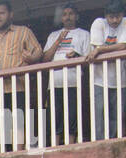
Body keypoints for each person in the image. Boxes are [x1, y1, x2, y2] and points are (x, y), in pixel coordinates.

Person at [43, 6, 91, 143]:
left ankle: (70, 144)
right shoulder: (53, 35)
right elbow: (45, 59)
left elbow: (88, 59)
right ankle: (55, 145)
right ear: (61, 18)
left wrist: (76, 56)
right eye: (64, 14)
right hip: (54, 83)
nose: (67, 17)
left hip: (73, 82)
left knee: (72, 116)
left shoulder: (84, 34)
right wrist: (58, 40)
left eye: (71, 14)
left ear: (77, 16)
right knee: (55, 117)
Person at [90, 6, 126, 140]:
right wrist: (100, 49)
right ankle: (100, 144)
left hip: (121, 79)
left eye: (117, 16)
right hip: (99, 79)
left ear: (122, 14)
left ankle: (116, 144)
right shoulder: (99, 23)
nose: (114, 20)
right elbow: (97, 47)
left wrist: (101, 49)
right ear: (105, 16)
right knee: (99, 114)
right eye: (111, 17)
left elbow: (123, 46)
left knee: (118, 115)